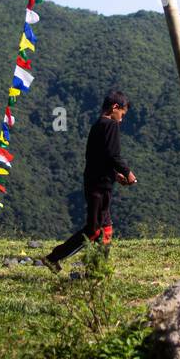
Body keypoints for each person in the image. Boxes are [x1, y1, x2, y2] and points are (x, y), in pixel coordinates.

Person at [42, 90, 136, 272]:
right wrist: (128, 172)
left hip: (97, 181)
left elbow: (98, 157)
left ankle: (98, 269)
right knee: (94, 230)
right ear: (114, 107)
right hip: (99, 186)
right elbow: (113, 155)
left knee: (106, 229)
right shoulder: (111, 125)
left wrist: (114, 175)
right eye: (122, 114)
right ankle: (54, 257)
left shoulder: (98, 125)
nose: (122, 119)